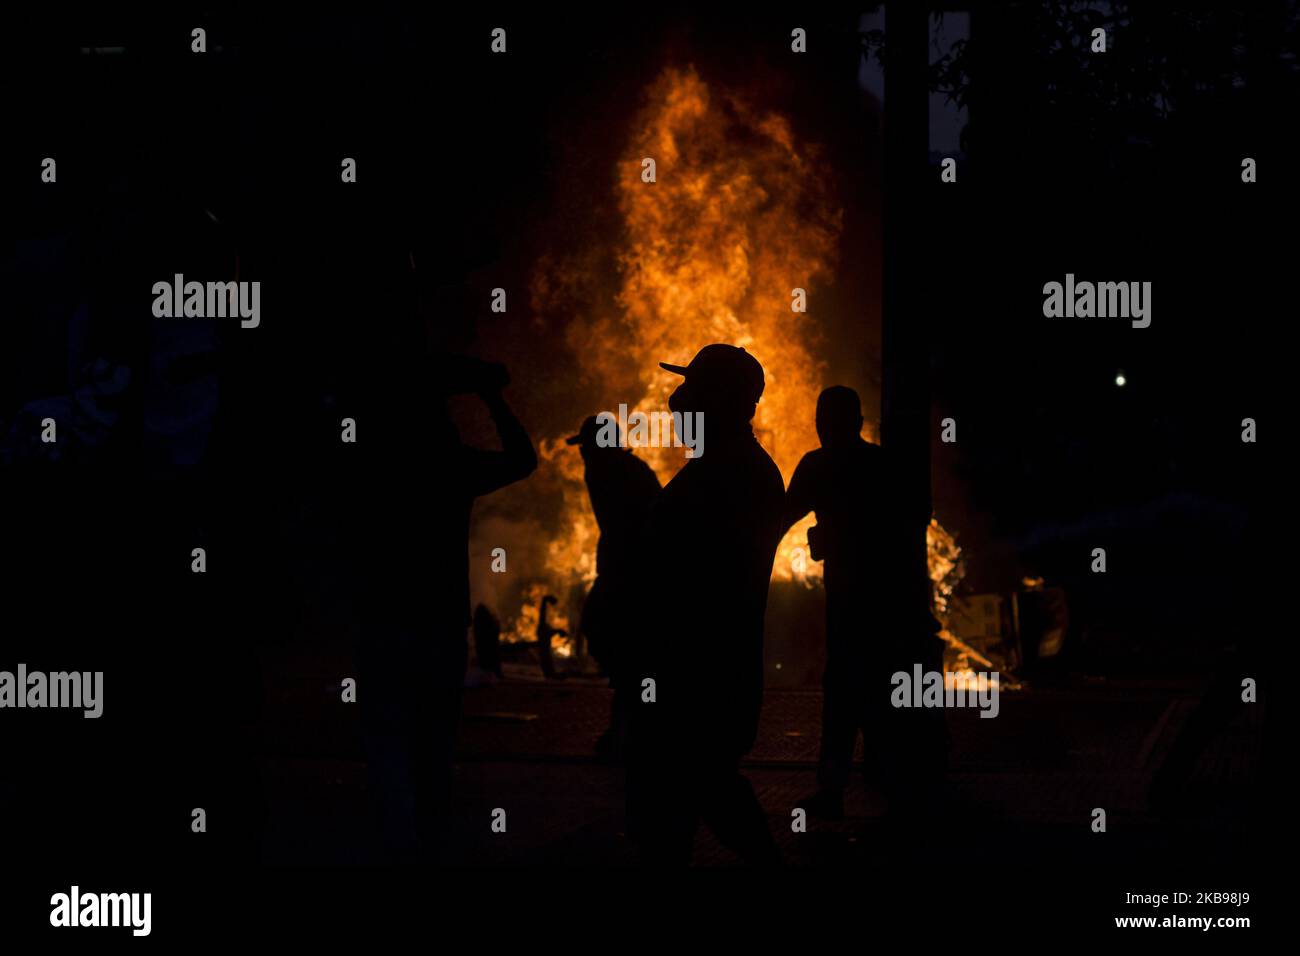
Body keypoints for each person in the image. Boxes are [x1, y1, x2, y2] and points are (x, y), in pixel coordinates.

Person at [348, 354, 536, 861]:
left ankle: (399, 841)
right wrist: (489, 394)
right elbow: (522, 459)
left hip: (383, 623)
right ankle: (428, 841)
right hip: (437, 629)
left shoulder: (369, 463)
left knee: (387, 741)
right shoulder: (450, 466)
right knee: (434, 744)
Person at [625, 344, 785, 866]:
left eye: (694, 391)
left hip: (700, 676)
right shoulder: (724, 468)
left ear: (722, 402)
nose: (678, 403)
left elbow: (698, 582)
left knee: (691, 796)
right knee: (694, 799)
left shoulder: (732, 475)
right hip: (697, 674)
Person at [783, 386, 893, 819]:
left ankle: (833, 790)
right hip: (886, 599)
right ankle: (887, 781)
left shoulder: (819, 465)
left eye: (824, 419)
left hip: (851, 600)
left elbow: (780, 517)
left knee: (845, 690)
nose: (821, 427)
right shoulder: (881, 465)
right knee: (878, 687)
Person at [566, 414, 662, 755]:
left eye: (587, 445)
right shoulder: (614, 470)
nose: (582, 453)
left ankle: (631, 733)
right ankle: (628, 731)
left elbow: (651, 522)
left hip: (632, 575)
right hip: (626, 572)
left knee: (625, 654)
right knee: (627, 658)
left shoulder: (619, 473)